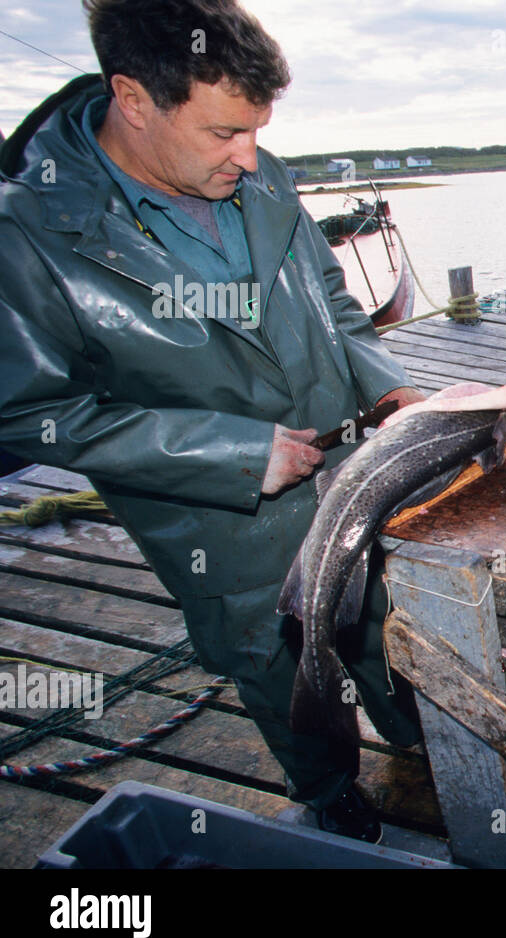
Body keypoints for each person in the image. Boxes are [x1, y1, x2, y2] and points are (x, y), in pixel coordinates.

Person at [0, 0, 428, 842]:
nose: (251, 155)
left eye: (257, 130)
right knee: (273, 659)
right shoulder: (25, 233)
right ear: (132, 98)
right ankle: (331, 786)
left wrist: (388, 389)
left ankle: (419, 738)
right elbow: (33, 415)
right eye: (224, 133)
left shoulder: (261, 173)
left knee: (381, 616)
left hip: (349, 479)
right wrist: (230, 453)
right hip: (215, 519)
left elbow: (335, 304)